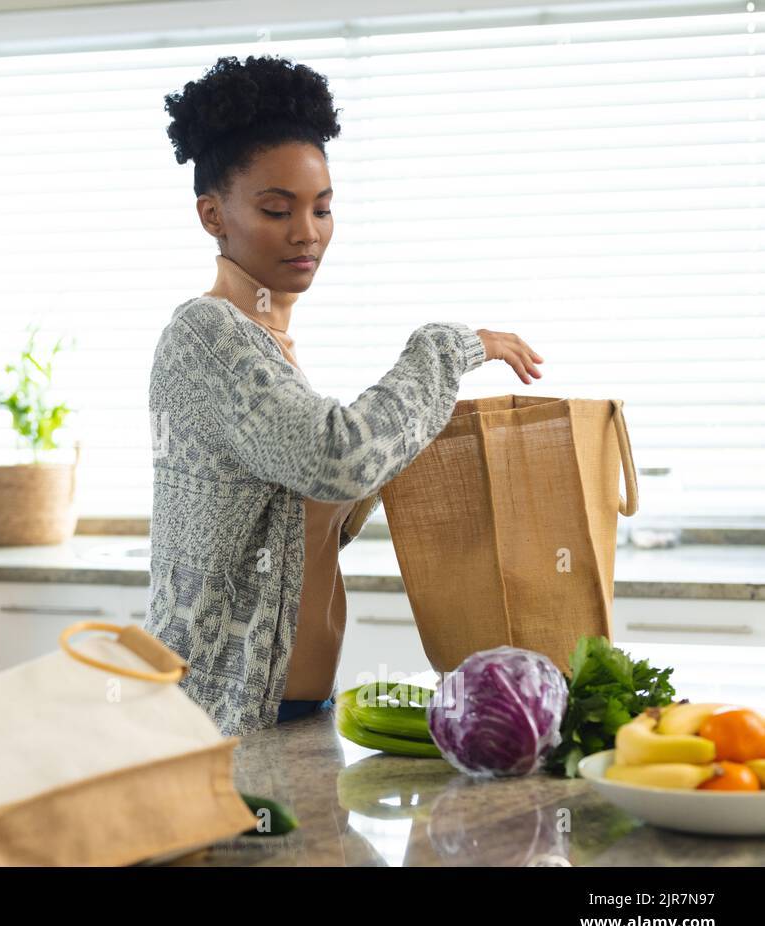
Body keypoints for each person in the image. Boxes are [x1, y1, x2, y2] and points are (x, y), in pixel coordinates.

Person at [148, 55, 543, 736]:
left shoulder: (273, 349)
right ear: (213, 215)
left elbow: (314, 510)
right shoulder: (206, 334)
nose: (308, 231)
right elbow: (337, 457)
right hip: (224, 717)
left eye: (323, 207)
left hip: (300, 712)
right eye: (278, 209)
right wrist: (447, 349)